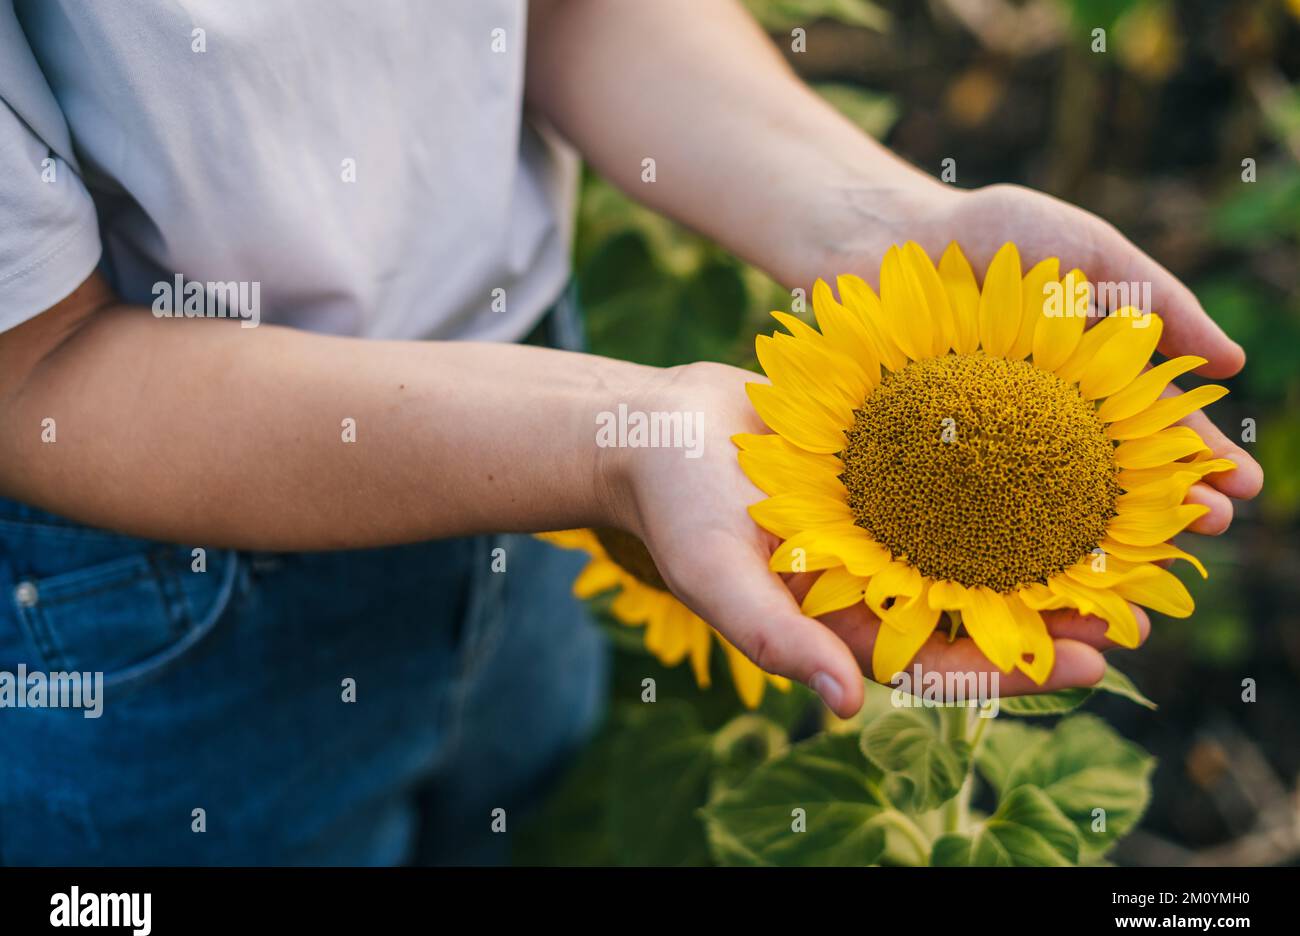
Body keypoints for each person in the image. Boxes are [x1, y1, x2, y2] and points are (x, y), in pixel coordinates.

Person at [0, 0, 1262, 864]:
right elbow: (36, 365)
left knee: (527, 798)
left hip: (531, 417)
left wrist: (883, 233)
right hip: (147, 603)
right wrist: (615, 441)